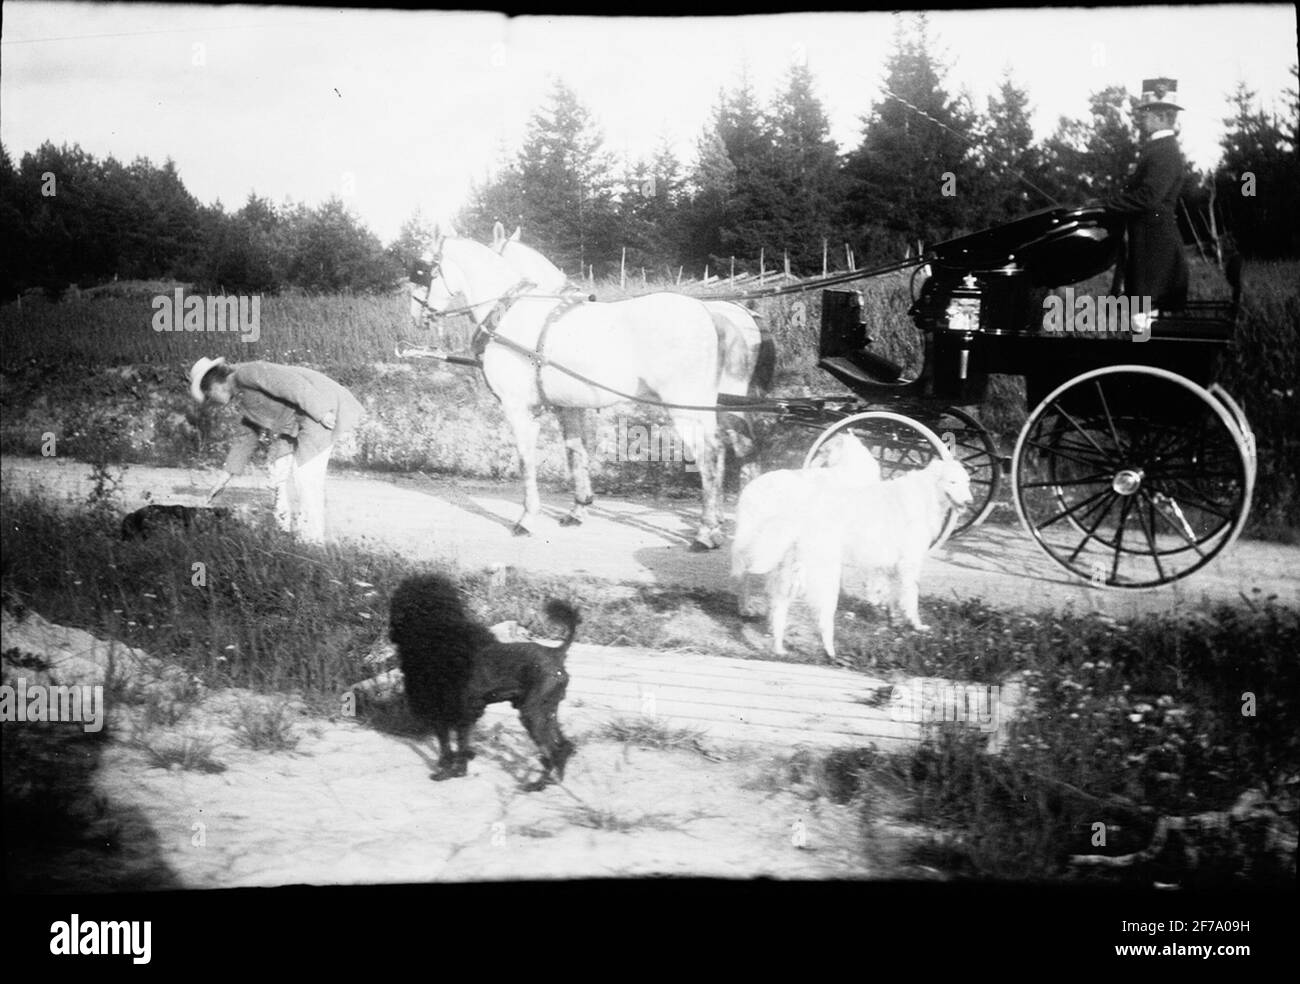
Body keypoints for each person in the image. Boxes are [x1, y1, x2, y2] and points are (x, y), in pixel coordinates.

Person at [189, 357, 363, 543]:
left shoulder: (248, 373)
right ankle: (287, 533)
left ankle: (313, 542)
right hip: (297, 422)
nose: (211, 402)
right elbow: (245, 438)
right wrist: (224, 478)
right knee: (279, 472)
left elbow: (292, 384)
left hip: (319, 409)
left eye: (208, 396)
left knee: (305, 477)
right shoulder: (241, 394)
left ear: (215, 385)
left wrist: (321, 412)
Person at [1104, 77, 1189, 314]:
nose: (1141, 117)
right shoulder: (1158, 149)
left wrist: (1109, 205)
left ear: (1163, 117)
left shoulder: (1165, 152)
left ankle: (1146, 350)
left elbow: (1149, 197)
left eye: (1147, 112)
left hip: (1155, 249)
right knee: (1144, 319)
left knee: (1143, 319)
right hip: (1148, 245)